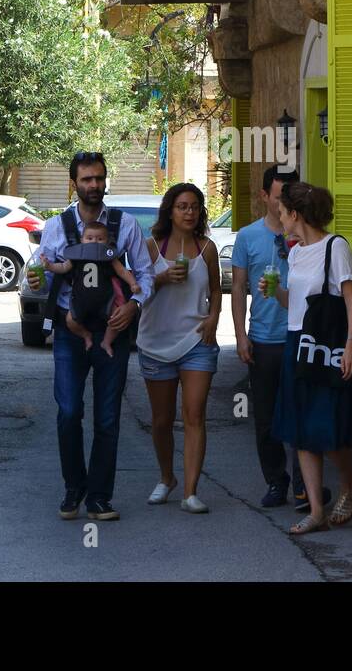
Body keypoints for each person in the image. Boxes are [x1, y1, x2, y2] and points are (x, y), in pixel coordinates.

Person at [25, 152, 155, 522]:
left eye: (99, 178)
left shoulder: (125, 224)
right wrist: (37, 279)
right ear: (74, 183)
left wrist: (134, 304)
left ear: (105, 180)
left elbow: (143, 274)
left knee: (108, 417)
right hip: (70, 329)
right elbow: (41, 272)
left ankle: (99, 497)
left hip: (114, 326)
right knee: (68, 412)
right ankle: (73, 487)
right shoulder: (57, 226)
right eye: (86, 179)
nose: (94, 185)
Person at [230, 165, 328, 511]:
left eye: (290, 196)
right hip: (265, 336)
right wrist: (241, 336)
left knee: (303, 411)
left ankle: (306, 487)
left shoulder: (308, 240)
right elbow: (239, 288)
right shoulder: (247, 237)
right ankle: (276, 481)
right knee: (267, 416)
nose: (284, 203)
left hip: (302, 335)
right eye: (278, 197)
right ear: (263, 197)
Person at [270, 182, 352, 535]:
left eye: (282, 211)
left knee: (325, 426)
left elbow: (351, 298)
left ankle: (349, 482)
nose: (279, 217)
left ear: (295, 214)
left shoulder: (335, 247)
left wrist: (351, 344)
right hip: (296, 341)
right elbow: (292, 303)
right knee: (299, 428)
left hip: (326, 345)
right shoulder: (294, 253)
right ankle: (315, 511)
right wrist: (274, 292)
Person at [136, 183, 223, 513]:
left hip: (196, 340)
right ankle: (166, 477)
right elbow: (136, 291)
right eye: (182, 206)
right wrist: (160, 279)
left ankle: (190, 492)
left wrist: (214, 317)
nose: (189, 213)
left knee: (194, 415)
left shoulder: (207, 248)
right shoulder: (151, 248)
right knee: (161, 420)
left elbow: (216, 290)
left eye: (195, 207)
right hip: (156, 342)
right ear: (169, 211)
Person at [42, 220, 142, 356]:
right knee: (70, 320)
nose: (94, 242)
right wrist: (50, 266)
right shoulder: (77, 256)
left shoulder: (109, 256)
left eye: (100, 239)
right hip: (81, 301)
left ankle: (106, 342)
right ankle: (86, 335)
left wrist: (133, 284)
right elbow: (63, 267)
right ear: (82, 240)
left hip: (106, 299)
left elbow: (122, 271)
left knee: (116, 319)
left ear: (107, 241)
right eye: (90, 238)